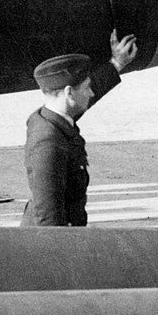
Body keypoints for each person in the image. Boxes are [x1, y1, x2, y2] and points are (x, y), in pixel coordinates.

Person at [21, 28, 138, 227]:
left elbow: (90, 94)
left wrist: (117, 63)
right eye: (86, 88)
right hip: (53, 238)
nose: (91, 93)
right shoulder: (48, 143)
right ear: (69, 93)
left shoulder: (50, 117)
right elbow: (48, 218)